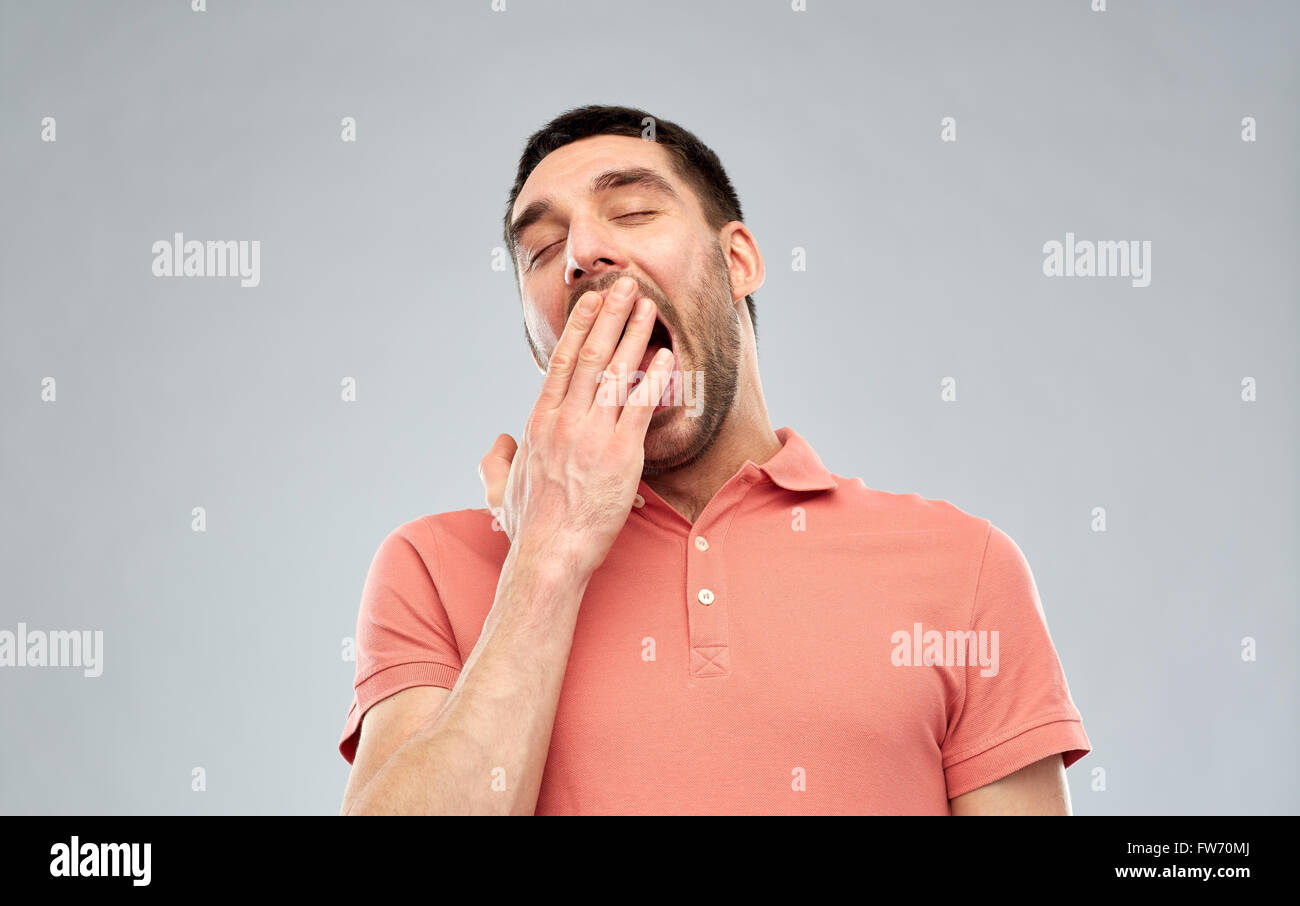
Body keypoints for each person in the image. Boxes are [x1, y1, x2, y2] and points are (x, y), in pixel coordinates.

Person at [338, 105, 1091, 815]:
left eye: (631, 211)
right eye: (540, 248)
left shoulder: (964, 567)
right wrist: (547, 556)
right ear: (537, 337)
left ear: (738, 262)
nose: (580, 254)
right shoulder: (432, 566)